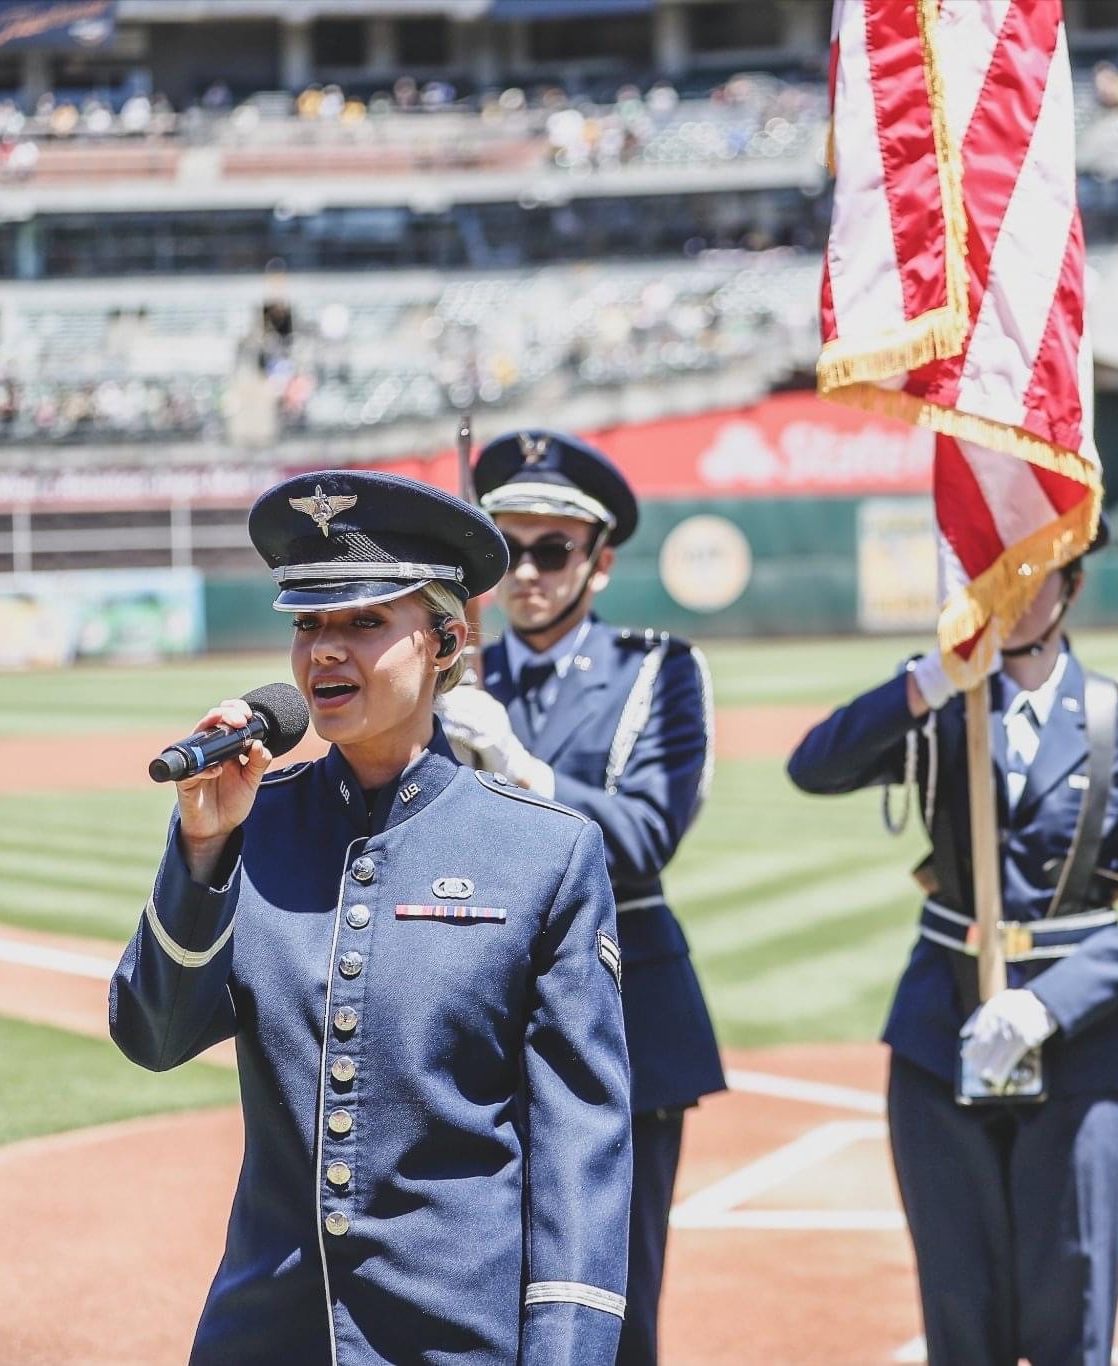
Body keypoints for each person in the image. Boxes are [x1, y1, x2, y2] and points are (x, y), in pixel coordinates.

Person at [109, 469, 632, 1364]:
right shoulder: (250, 823)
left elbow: (580, 1146)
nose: (324, 653)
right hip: (264, 1335)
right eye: (308, 623)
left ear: (443, 641)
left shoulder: (544, 853)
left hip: (454, 1340)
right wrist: (202, 851)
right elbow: (154, 1037)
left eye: (363, 622)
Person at [786, 526, 1118, 1366]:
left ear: (1073, 585)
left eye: (1030, 574)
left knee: (1071, 1311)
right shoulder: (941, 707)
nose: (1008, 593)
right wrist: (926, 681)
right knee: (959, 1312)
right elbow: (815, 766)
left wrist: (1049, 1003)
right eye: (990, 574)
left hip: (1085, 1051)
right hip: (944, 1032)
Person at [435, 429, 724, 1365]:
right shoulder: (453, 680)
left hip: (625, 1015)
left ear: (599, 564)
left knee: (610, 1305)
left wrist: (521, 768)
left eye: (552, 550)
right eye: (507, 548)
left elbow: (644, 837)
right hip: (481, 1014)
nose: (526, 571)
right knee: (478, 1295)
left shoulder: (657, 671)